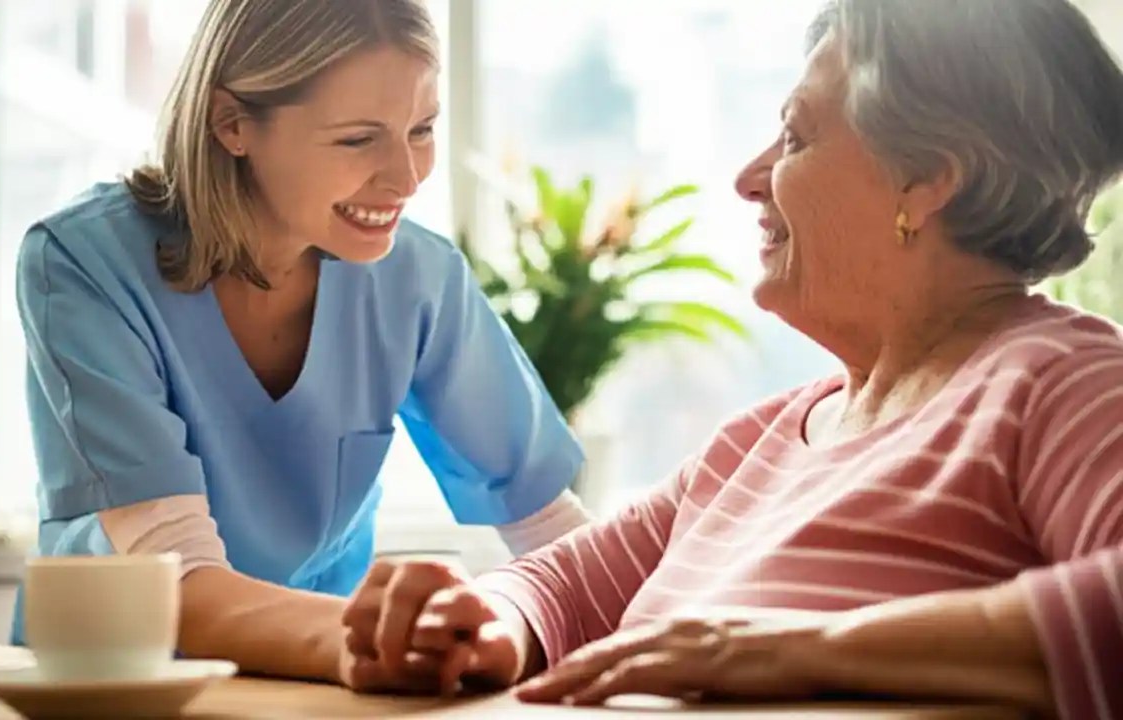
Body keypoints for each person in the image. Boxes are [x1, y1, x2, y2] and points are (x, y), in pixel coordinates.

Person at [341, 0, 1123, 717]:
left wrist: (793, 652)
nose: (751, 179)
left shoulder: (1064, 382)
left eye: (795, 137)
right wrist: (476, 623)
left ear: (923, 183)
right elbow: (559, 587)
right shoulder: (756, 442)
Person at [12, 0, 590, 688]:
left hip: (322, 682)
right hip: (117, 683)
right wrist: (375, 641)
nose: (406, 177)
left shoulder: (418, 278)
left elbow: (557, 534)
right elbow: (175, 580)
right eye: (357, 140)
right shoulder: (84, 262)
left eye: (423, 130)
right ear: (232, 124)